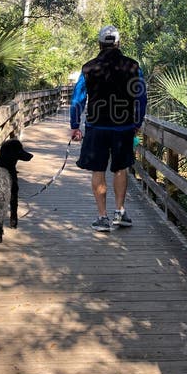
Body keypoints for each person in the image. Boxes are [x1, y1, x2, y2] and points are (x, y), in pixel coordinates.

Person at [70, 25, 147, 232]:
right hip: (123, 128)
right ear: (118, 43)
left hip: (96, 126)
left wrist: (75, 126)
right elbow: (141, 97)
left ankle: (102, 217)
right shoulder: (133, 67)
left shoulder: (88, 68)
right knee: (121, 168)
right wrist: (137, 123)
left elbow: (77, 100)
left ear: (100, 43)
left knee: (98, 169)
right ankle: (120, 212)